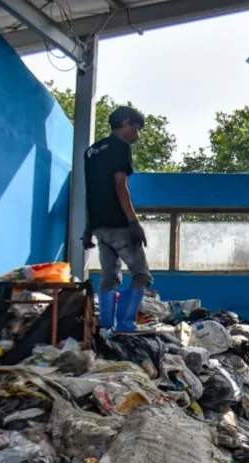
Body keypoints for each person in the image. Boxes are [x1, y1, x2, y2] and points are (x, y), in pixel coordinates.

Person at [82, 106, 152, 334]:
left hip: (99, 226)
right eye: (137, 128)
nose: (138, 136)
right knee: (142, 275)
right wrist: (133, 222)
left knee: (109, 278)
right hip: (118, 224)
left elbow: (90, 190)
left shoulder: (91, 151)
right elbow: (120, 184)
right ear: (124, 122)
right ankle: (125, 324)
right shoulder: (119, 147)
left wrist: (88, 228)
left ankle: (106, 327)